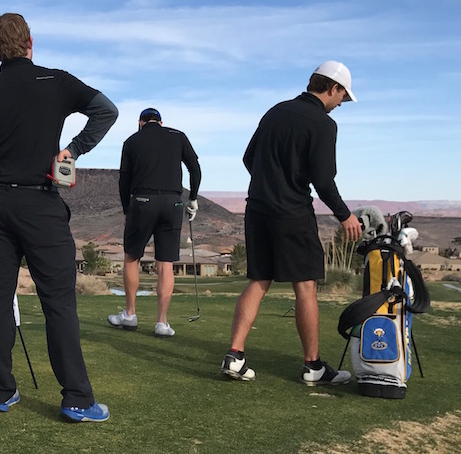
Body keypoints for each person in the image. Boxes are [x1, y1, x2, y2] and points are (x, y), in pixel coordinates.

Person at [0, 12, 119, 422]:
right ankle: (76, 398)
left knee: (0, 297)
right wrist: (72, 151)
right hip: (41, 205)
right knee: (58, 302)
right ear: (30, 42)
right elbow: (106, 111)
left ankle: (0, 392)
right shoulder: (55, 81)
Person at [222, 61, 363, 385]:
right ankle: (313, 366)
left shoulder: (275, 112)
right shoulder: (324, 124)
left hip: (257, 209)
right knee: (306, 286)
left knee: (259, 280)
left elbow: (248, 158)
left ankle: (235, 355)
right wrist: (345, 215)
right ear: (333, 88)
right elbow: (324, 181)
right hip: (293, 213)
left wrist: (271, 184)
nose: (340, 104)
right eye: (342, 97)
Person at [109, 107, 201, 337]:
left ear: (140, 122)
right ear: (161, 122)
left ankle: (130, 314)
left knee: (132, 256)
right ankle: (162, 322)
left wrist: (126, 210)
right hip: (173, 203)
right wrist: (193, 198)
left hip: (142, 201)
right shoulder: (178, 136)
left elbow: (124, 180)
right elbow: (195, 169)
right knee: (165, 262)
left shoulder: (131, 141)